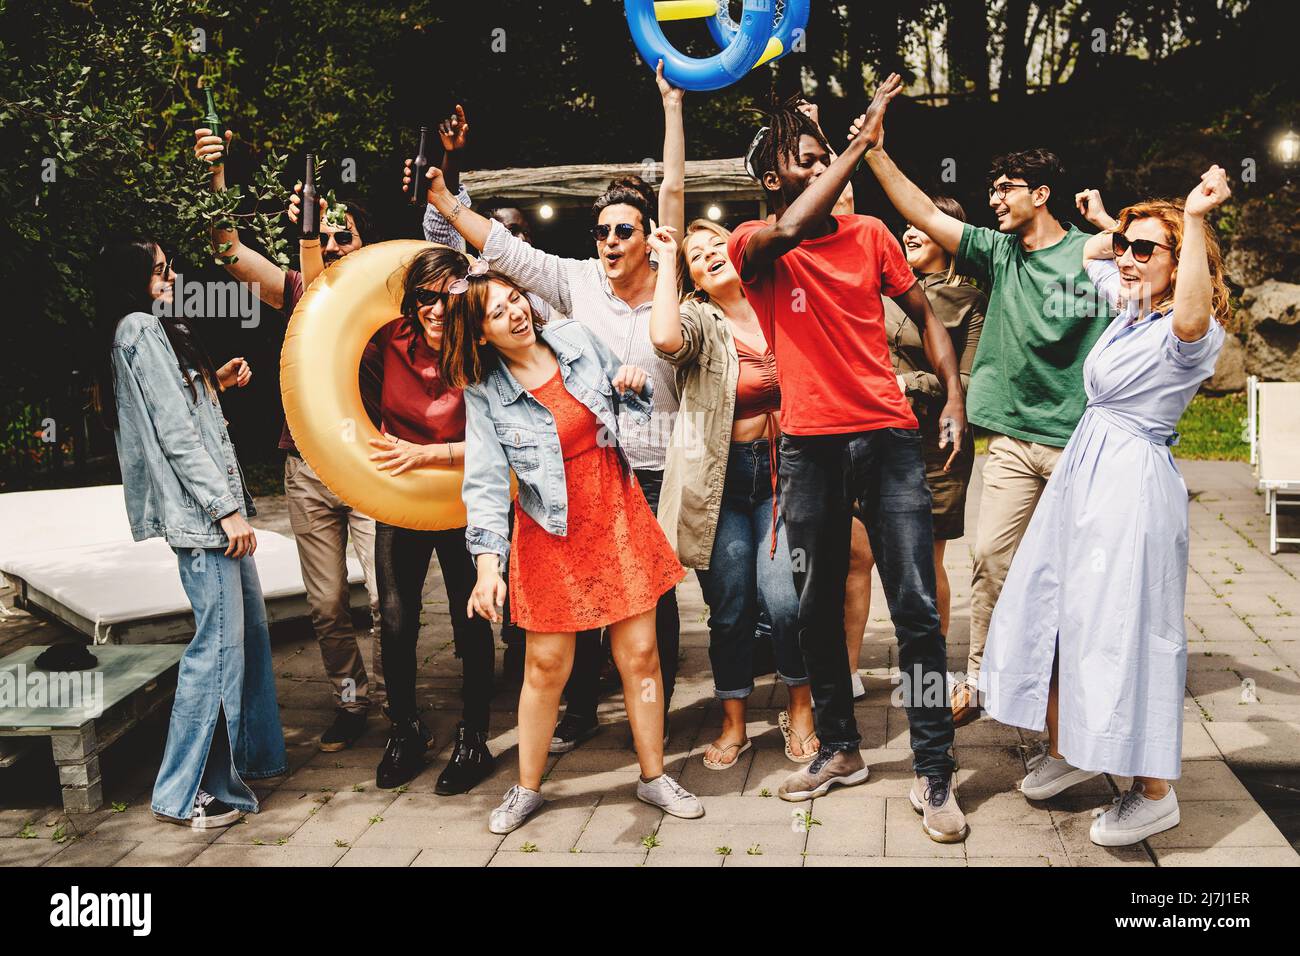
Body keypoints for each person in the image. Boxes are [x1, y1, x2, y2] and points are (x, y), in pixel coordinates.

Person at [408, 62, 688, 753]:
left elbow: (675, 191)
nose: (612, 241)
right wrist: (445, 201)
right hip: (594, 466)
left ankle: (660, 720)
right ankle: (583, 714)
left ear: (647, 236)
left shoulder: (673, 288)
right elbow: (500, 253)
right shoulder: (573, 286)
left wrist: (673, 108)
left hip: (661, 463)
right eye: (602, 232)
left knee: (655, 607)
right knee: (585, 603)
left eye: (625, 230)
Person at [729, 78, 970, 843]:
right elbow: (791, 227)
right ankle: (840, 748)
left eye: (829, 155)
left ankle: (935, 770)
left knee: (918, 612)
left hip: (890, 440)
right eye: (809, 159)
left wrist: (955, 400)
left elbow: (926, 317)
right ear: (775, 178)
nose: (827, 166)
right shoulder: (754, 246)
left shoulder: (870, 236)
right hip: (808, 449)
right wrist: (860, 144)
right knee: (814, 608)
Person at [981, 169, 1231, 846]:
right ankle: (1071, 745)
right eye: (1129, 245)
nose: (1126, 256)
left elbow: (1191, 315)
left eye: (1146, 249)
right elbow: (1095, 257)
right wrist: (1109, 228)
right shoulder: (1128, 308)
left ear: (1183, 266)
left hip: (1131, 490)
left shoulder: (1189, 338)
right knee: (1059, 617)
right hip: (1084, 480)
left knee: (1117, 628)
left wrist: (1196, 217)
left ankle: (1153, 793)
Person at [858, 110, 1114, 728]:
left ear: (1042, 195)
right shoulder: (998, 253)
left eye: (1007, 189)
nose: (994, 198)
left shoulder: (1092, 252)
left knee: (1083, 570)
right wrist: (873, 153)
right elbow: (923, 212)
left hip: (1076, 441)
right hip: (1009, 442)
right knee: (991, 561)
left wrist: (1111, 223)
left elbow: (1168, 252)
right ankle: (978, 679)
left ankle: (1081, 682)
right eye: (992, 188)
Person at [444, 269, 702, 833]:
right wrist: (487, 567)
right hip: (549, 531)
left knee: (639, 657)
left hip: (614, 511)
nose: (515, 312)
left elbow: (630, 417)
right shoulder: (485, 392)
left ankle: (653, 775)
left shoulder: (579, 340)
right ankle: (527, 787)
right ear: (480, 333)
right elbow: (485, 483)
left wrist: (633, 388)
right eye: (497, 312)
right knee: (544, 666)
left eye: (516, 299)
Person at [194, 126, 385, 752]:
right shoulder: (299, 289)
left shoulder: (392, 297)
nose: (332, 243)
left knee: (387, 599)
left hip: (372, 468)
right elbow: (228, 251)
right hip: (306, 469)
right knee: (328, 606)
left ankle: (395, 700)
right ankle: (351, 702)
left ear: (365, 245)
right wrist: (217, 179)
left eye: (344, 234)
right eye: (323, 234)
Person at [94, 239, 286, 829]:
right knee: (217, 649)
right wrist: (225, 509)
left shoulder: (151, 330)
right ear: (133, 279)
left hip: (208, 514)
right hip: (205, 519)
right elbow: (174, 435)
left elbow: (175, 410)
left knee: (248, 632)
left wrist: (216, 384)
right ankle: (190, 791)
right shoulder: (139, 330)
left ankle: (249, 759)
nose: (171, 276)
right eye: (159, 270)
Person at [648, 218, 818, 769]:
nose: (706, 256)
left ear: (740, 249)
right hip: (720, 485)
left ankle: (802, 706)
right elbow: (665, 340)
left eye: (714, 245)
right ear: (691, 278)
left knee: (787, 602)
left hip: (783, 477)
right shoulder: (698, 317)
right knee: (730, 610)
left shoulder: (779, 300)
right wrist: (667, 264)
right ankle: (734, 721)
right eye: (695, 257)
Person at [367, 247, 500, 795]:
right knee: (395, 618)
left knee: (470, 617)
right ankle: (405, 728)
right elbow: (314, 307)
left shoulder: (483, 349)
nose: (437, 309)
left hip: (464, 496)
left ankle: (474, 736)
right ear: (412, 299)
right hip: (401, 497)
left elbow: (498, 442)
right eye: (426, 296)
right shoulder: (387, 341)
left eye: (449, 295)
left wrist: (430, 456)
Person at [844, 198, 985, 692]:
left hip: (934, 444)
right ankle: (848, 671)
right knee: (855, 556)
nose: (908, 232)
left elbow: (966, 381)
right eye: (906, 224)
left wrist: (911, 385)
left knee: (925, 563)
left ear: (947, 235)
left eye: (920, 226)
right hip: (868, 436)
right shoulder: (882, 288)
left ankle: (927, 672)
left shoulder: (969, 299)